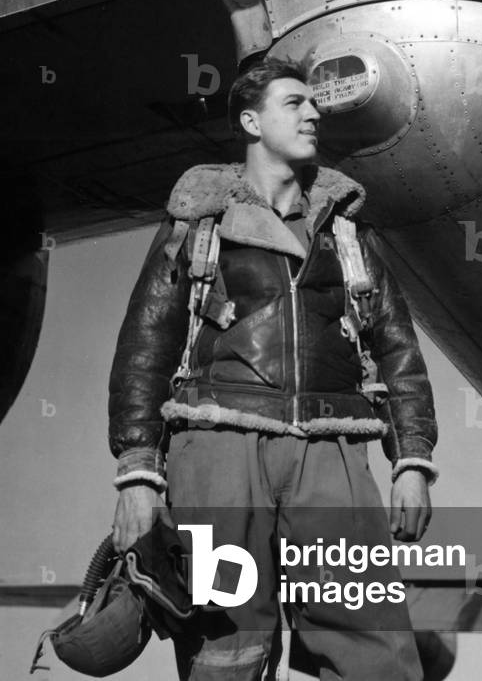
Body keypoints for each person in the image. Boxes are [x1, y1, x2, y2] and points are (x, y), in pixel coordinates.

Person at [108, 58, 438, 681]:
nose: (314, 113)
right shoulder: (197, 224)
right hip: (216, 451)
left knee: (377, 650)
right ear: (251, 121)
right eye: (295, 103)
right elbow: (146, 345)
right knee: (226, 652)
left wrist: (412, 459)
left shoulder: (348, 230)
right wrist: (137, 475)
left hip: (334, 449)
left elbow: (397, 347)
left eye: (314, 104)